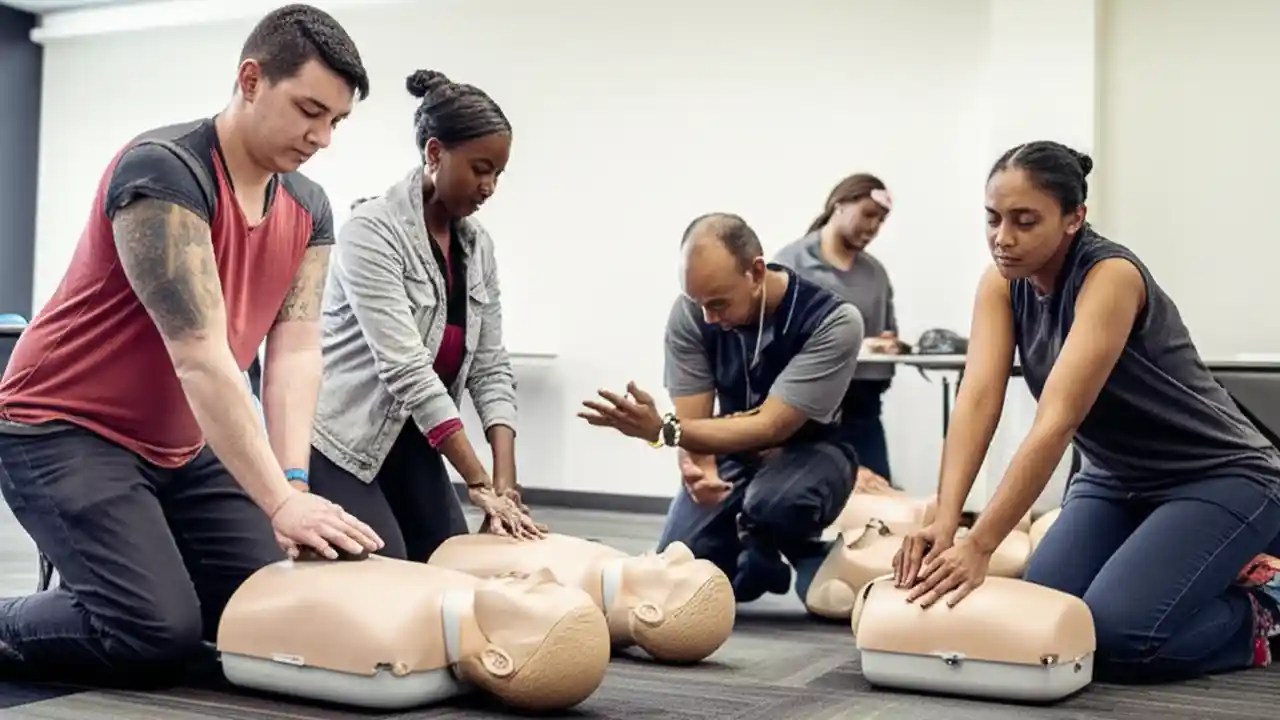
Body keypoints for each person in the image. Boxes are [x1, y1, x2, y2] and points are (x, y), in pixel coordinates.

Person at [0, 5, 384, 683]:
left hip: (182, 447)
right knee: (154, 634)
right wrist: (278, 504)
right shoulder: (165, 173)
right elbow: (200, 353)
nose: (322, 136)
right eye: (308, 110)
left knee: (258, 612)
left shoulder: (310, 208)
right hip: (63, 428)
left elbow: (295, 355)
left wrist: (291, 486)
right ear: (251, 79)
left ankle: (105, 585)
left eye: (336, 121)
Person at [892, 140, 1280, 681]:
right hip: (1115, 477)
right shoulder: (1001, 284)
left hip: (1218, 475)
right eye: (993, 219)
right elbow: (979, 399)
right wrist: (945, 520)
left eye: (1026, 221)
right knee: (1050, 623)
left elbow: (1057, 421)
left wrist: (982, 544)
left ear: (1075, 218)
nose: (1003, 238)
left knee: (1120, 638)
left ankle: (1263, 611)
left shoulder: (1110, 276)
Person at [308, 69, 543, 564]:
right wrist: (476, 482)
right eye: (480, 168)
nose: (490, 187)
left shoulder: (478, 247)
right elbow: (406, 370)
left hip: (413, 441)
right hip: (343, 440)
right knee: (388, 567)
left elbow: (490, 366)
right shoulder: (371, 232)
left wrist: (505, 482)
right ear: (435, 153)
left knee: (453, 564)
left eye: (498, 173)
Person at [579, 213, 864, 602]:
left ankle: (798, 549)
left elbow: (772, 426)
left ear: (757, 272)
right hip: (734, 455)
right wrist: (701, 470)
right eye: (699, 303)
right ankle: (755, 557)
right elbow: (692, 422)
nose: (710, 317)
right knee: (677, 564)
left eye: (718, 303)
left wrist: (664, 432)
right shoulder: (692, 313)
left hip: (812, 453)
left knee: (774, 502)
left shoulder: (833, 321)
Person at [774, 173, 901, 483]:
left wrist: (888, 343)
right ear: (838, 205)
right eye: (868, 215)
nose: (873, 227)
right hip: (808, 407)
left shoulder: (875, 274)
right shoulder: (791, 264)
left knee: (878, 489)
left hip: (864, 406)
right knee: (813, 494)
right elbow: (772, 340)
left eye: (881, 221)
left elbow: (887, 332)